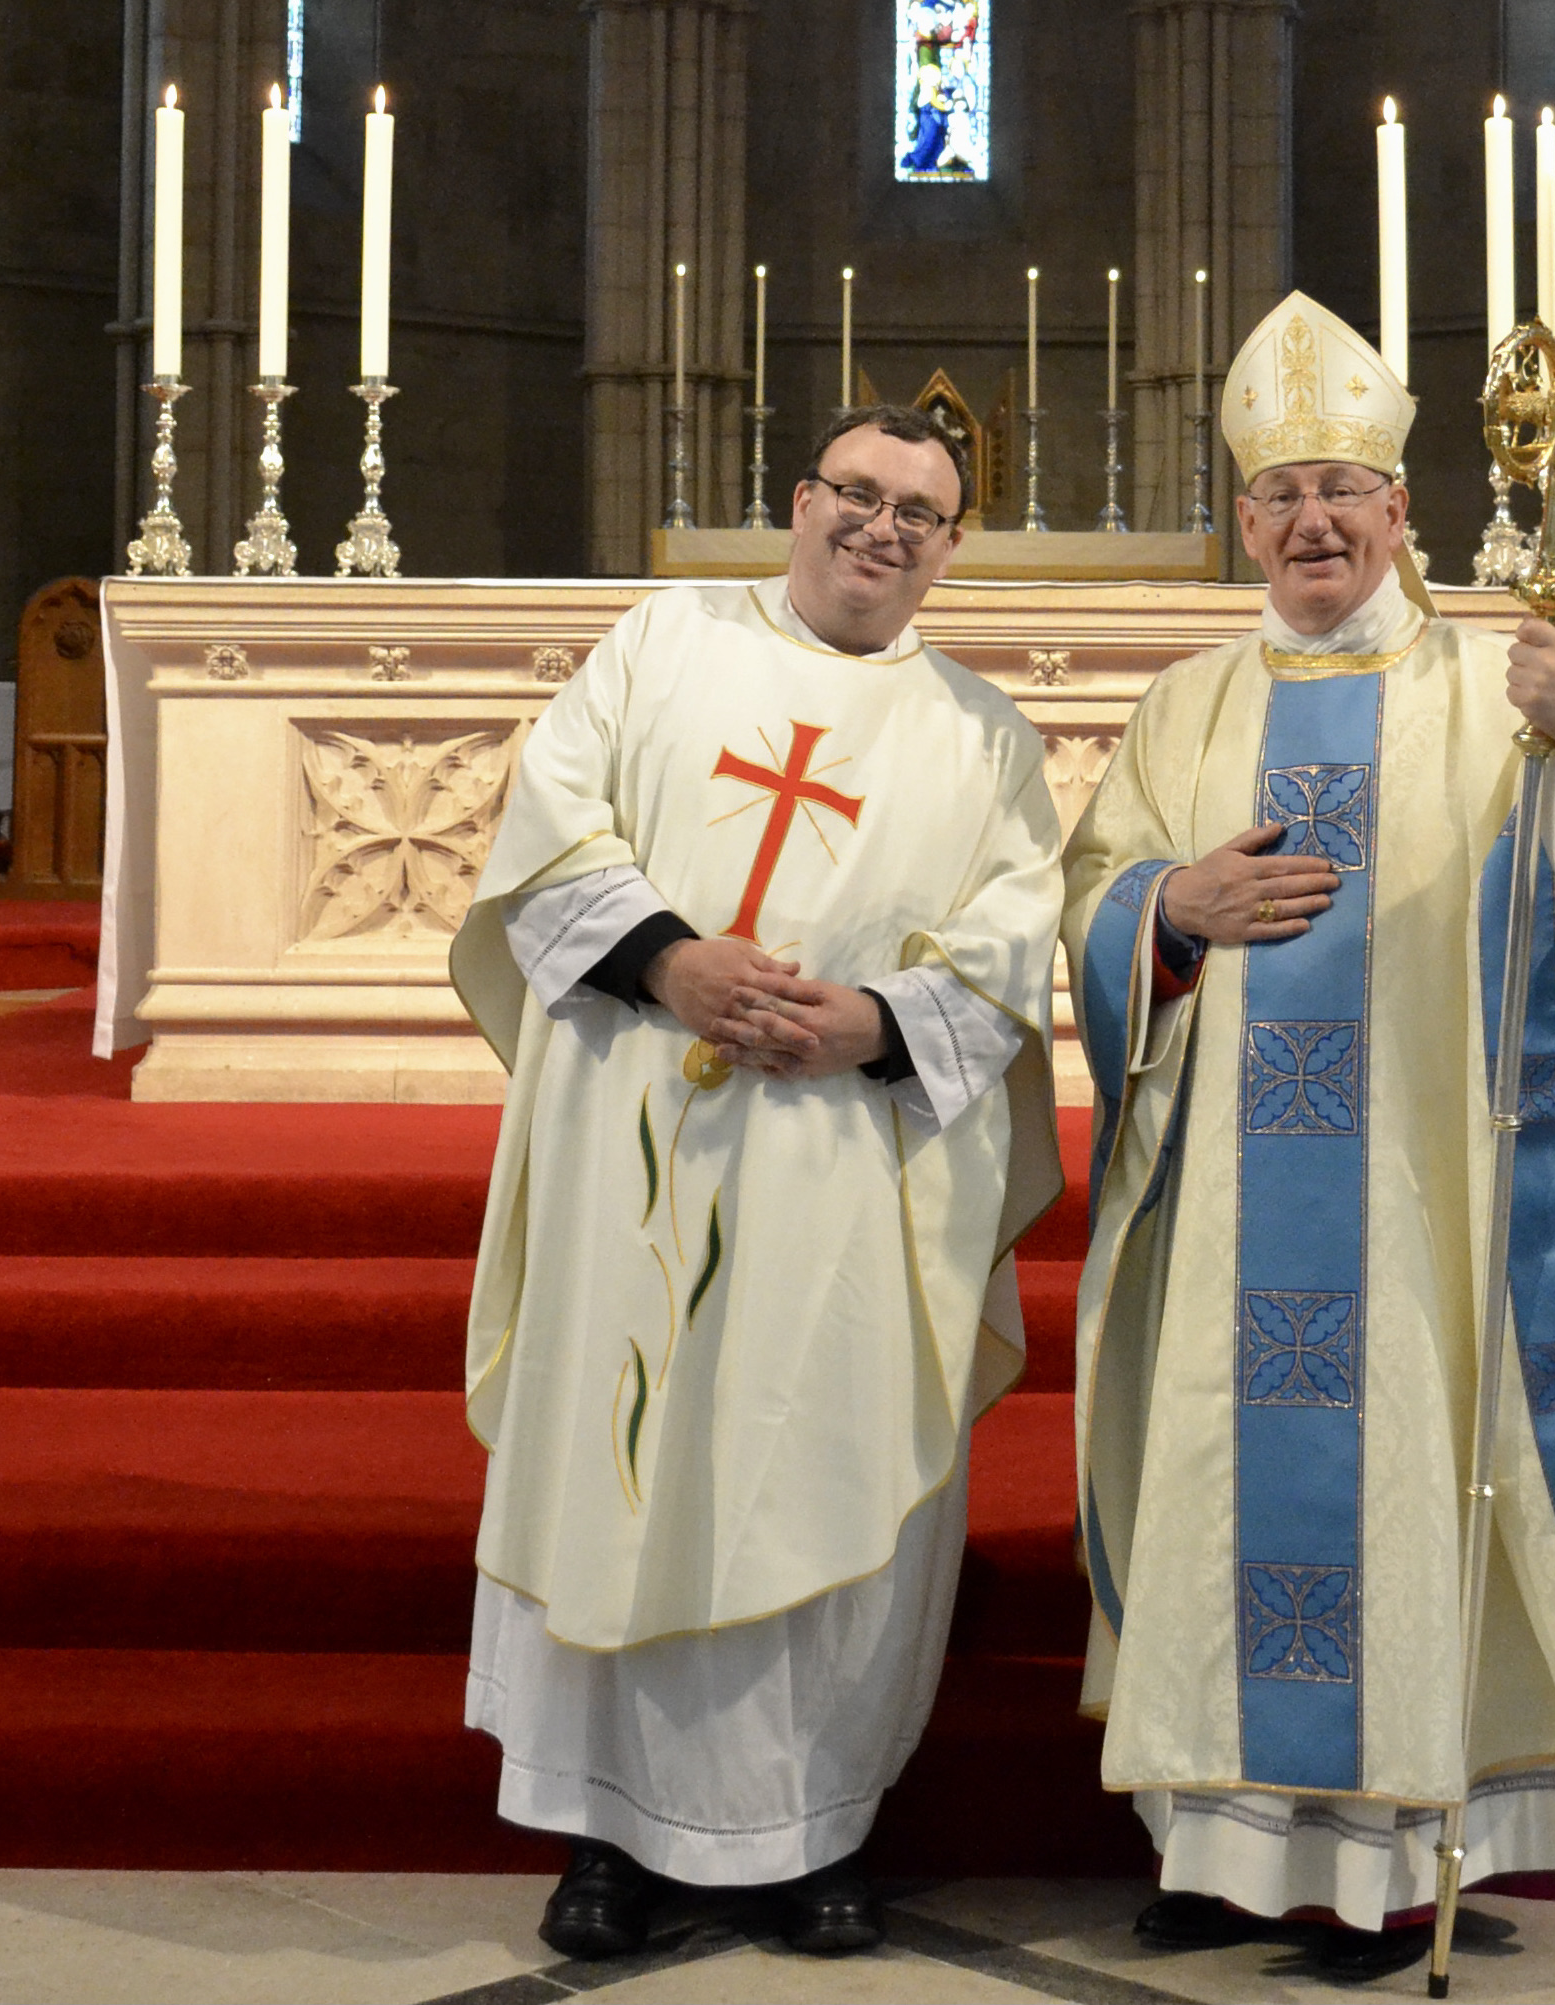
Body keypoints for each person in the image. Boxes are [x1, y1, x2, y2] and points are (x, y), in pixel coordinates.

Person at [1061, 292, 1555, 1981]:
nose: (1310, 523)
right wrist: (1169, 908)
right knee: (1219, 1465)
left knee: (1405, 1486)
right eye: (1278, 497)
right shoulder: (1185, 707)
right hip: (1223, 1206)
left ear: (1401, 511)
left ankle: (1380, 1856)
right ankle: (1225, 1838)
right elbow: (1093, 900)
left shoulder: (1491, 692)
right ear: (1242, 521)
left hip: (1428, 1200)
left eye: (1342, 491)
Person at [450, 405, 1063, 1960]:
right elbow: (545, 828)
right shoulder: (662, 642)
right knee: (624, 1452)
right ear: (797, 503)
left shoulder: (983, 733)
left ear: (951, 543)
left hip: (845, 1161)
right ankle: (603, 1828)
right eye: (856, 494)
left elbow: (1005, 947)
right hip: (635, 1125)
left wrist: (872, 1026)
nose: (882, 527)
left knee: (823, 1459)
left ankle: (811, 1830)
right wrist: (670, 963)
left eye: (920, 511)